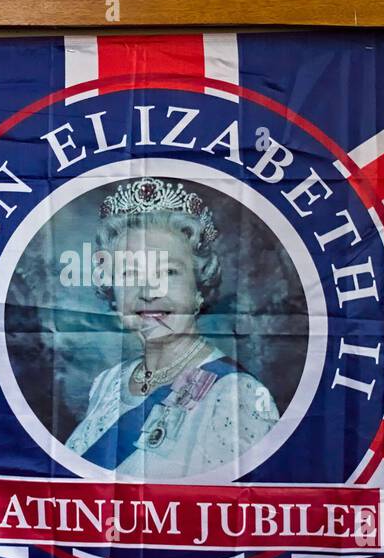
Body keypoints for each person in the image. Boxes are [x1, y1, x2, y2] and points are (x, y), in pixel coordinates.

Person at [65, 177, 278, 481]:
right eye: (129, 273)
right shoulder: (107, 383)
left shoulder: (237, 397)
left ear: (199, 288)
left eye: (168, 272)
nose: (149, 292)